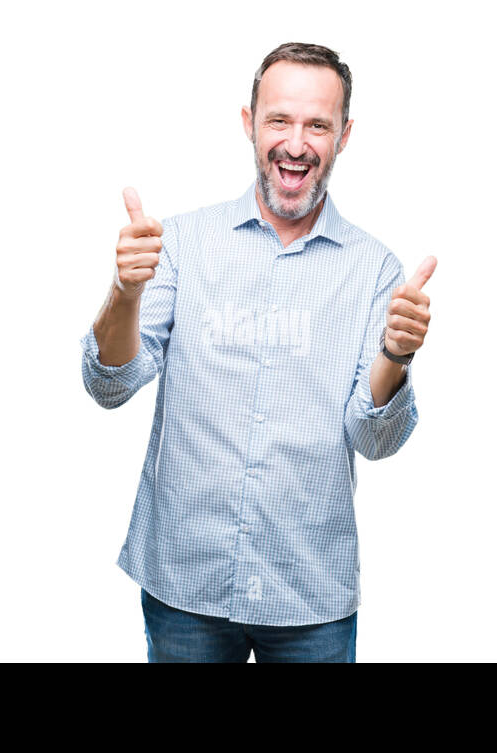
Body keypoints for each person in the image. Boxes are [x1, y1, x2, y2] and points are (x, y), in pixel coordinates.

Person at [82, 42, 435, 662]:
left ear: (343, 136)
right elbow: (110, 384)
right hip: (183, 579)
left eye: (316, 125)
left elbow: (373, 439)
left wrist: (395, 357)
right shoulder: (182, 243)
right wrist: (124, 292)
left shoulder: (377, 270)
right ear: (249, 124)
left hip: (309, 593)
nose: (295, 143)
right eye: (279, 120)